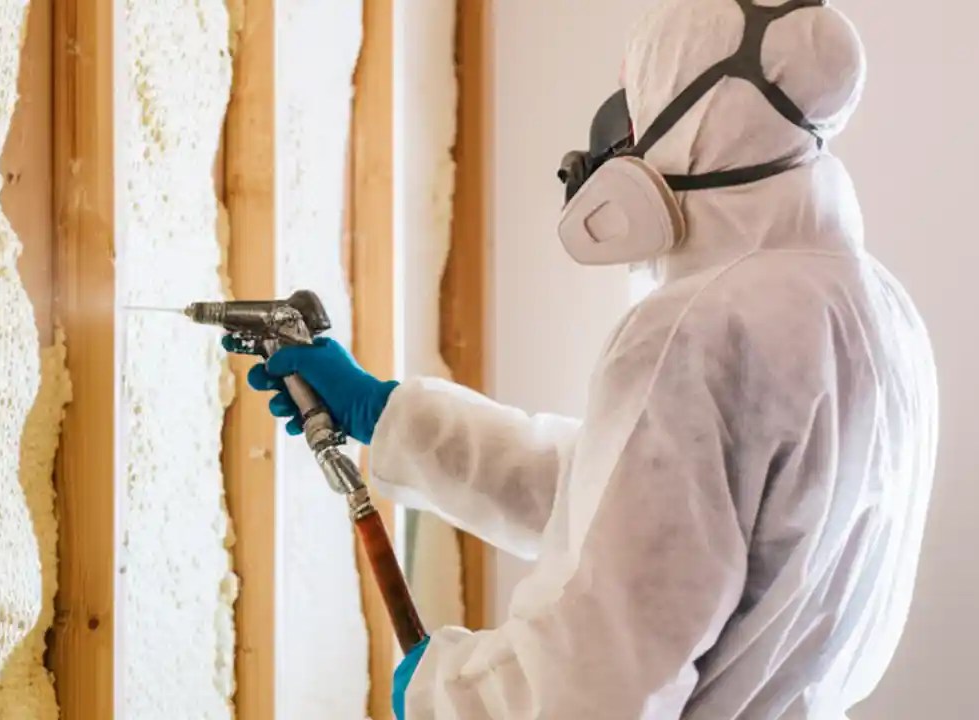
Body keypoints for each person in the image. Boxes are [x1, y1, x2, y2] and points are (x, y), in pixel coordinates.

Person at [238, 0, 939, 717]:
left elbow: (600, 673)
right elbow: (630, 511)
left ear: (684, 120)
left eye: (635, 109)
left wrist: (448, 691)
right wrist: (388, 414)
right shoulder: (874, 307)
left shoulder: (701, 329)